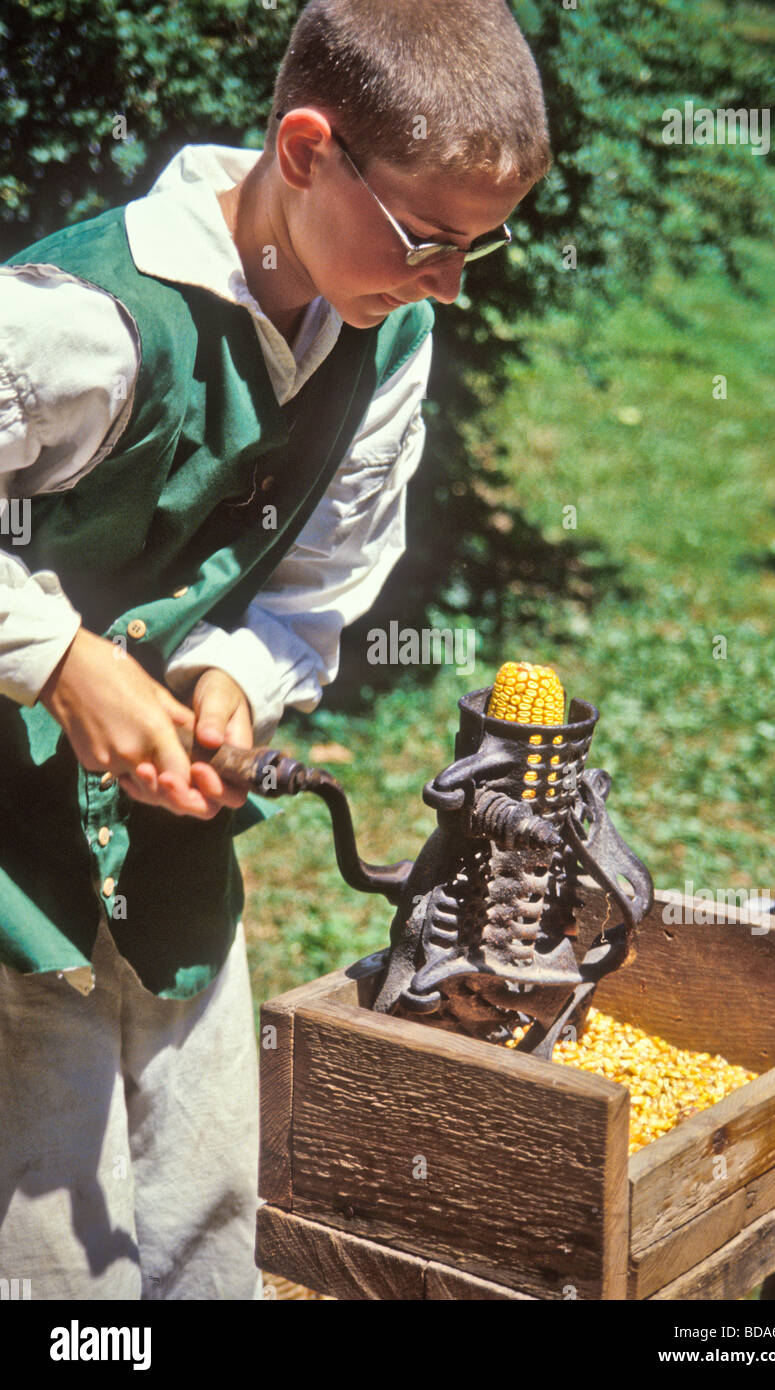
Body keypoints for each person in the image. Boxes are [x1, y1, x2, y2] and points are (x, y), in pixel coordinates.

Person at [0, 0, 551, 1298]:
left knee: (205, 1193)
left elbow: (325, 572)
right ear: (307, 149)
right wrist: (64, 662)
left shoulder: (389, 331)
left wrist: (234, 680)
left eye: (482, 249)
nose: (449, 282)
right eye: (426, 238)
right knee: (50, 1225)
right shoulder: (86, 322)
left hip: (171, 838)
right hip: (9, 852)